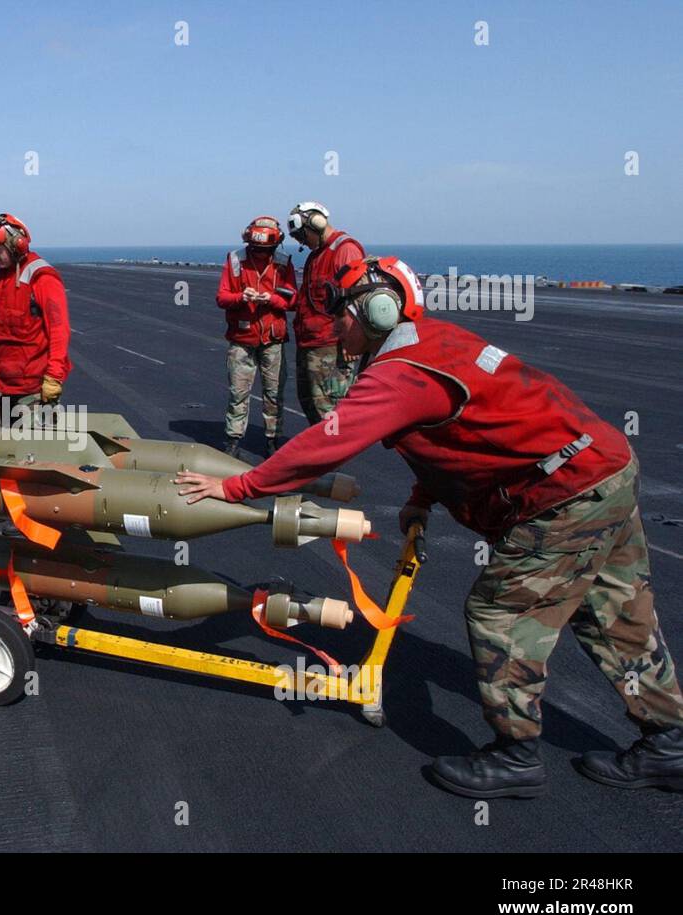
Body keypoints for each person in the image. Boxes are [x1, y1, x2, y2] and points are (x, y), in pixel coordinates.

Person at [176, 255, 683, 799]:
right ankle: (669, 745)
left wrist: (238, 487)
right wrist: (423, 497)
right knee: (616, 608)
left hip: (564, 497)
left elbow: (326, 443)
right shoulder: (434, 343)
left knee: (501, 614)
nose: (330, 326)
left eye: (339, 312)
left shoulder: (400, 372)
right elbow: (464, 434)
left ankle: (515, 755)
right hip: (606, 467)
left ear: (375, 310)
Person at [0, 213, 71, 413]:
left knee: (30, 443)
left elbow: (59, 330)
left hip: (32, 390)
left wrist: (54, 377)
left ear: (17, 245)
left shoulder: (41, 276)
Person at [215, 216, 295, 457]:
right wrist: (242, 297)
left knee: (274, 393)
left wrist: (271, 299)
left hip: (272, 340)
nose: (260, 254)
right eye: (256, 249)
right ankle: (233, 441)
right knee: (238, 392)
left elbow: (293, 300)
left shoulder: (283, 263)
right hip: (242, 339)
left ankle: (273, 440)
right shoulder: (235, 260)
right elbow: (222, 297)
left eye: (265, 250)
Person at [286, 201, 365, 424]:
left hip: (332, 345)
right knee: (310, 404)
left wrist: (352, 340)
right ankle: (320, 454)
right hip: (311, 343)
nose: (301, 242)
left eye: (302, 236)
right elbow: (308, 299)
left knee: (330, 410)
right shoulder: (315, 255)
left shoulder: (345, 250)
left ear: (316, 224)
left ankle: (331, 456)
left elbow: (356, 298)